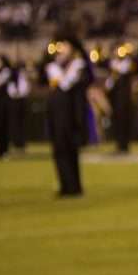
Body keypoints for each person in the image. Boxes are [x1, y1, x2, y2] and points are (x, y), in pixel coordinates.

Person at [44, 37, 89, 197]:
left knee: (71, 150)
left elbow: (82, 81)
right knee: (59, 150)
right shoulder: (53, 66)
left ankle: (74, 186)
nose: (61, 49)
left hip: (71, 115)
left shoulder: (78, 66)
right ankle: (64, 185)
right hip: (56, 115)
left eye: (65, 46)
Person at [106, 42, 138, 154]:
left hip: (124, 98)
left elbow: (130, 69)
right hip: (115, 98)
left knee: (125, 121)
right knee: (116, 121)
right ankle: (119, 144)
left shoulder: (127, 64)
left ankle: (124, 145)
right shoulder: (112, 64)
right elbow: (109, 83)